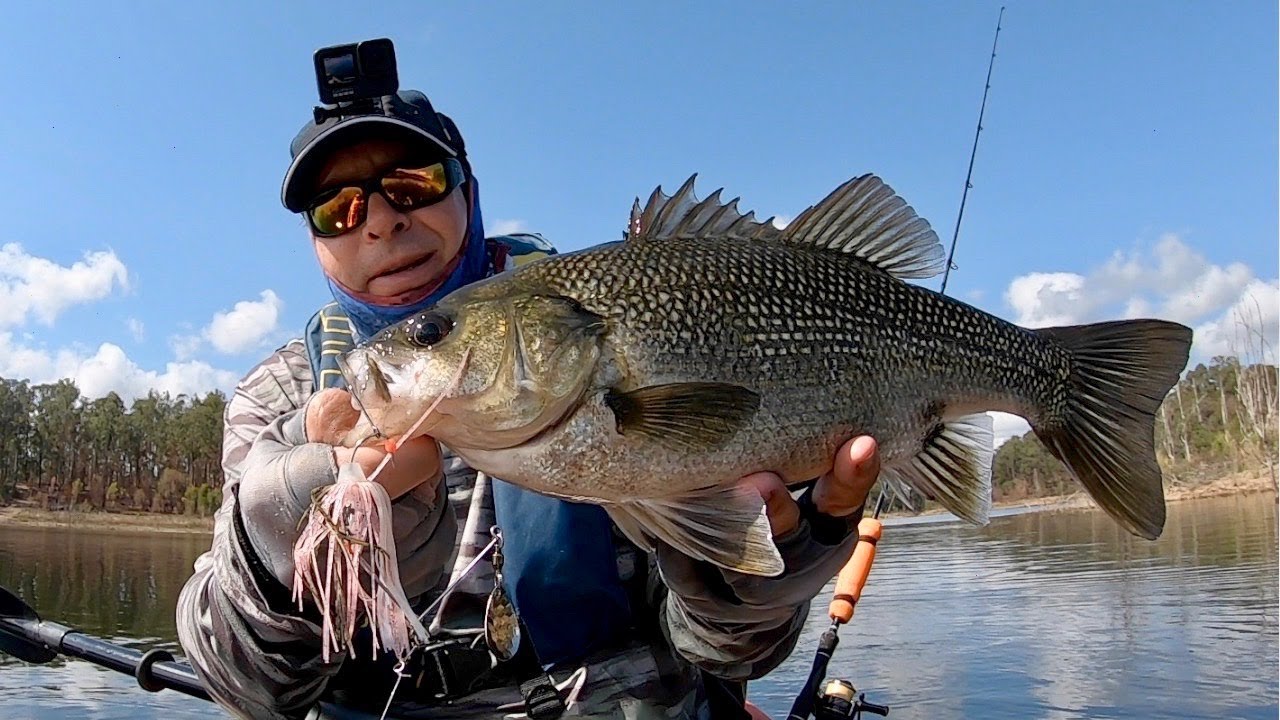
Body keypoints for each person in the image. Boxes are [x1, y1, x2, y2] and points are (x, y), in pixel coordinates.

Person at [176, 45, 880, 720]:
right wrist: (270, 559)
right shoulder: (280, 396)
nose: (383, 221)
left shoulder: (598, 318)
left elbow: (730, 653)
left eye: (413, 183)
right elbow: (251, 692)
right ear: (317, 243)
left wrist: (749, 594)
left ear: (469, 193)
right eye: (338, 208)